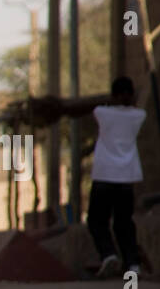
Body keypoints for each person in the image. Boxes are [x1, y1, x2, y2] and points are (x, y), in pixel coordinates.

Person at [30, 76, 145, 277]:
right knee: (124, 222)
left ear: (114, 96)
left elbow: (80, 108)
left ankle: (108, 255)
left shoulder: (103, 113)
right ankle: (132, 265)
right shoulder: (139, 115)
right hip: (127, 177)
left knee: (96, 220)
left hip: (104, 176)